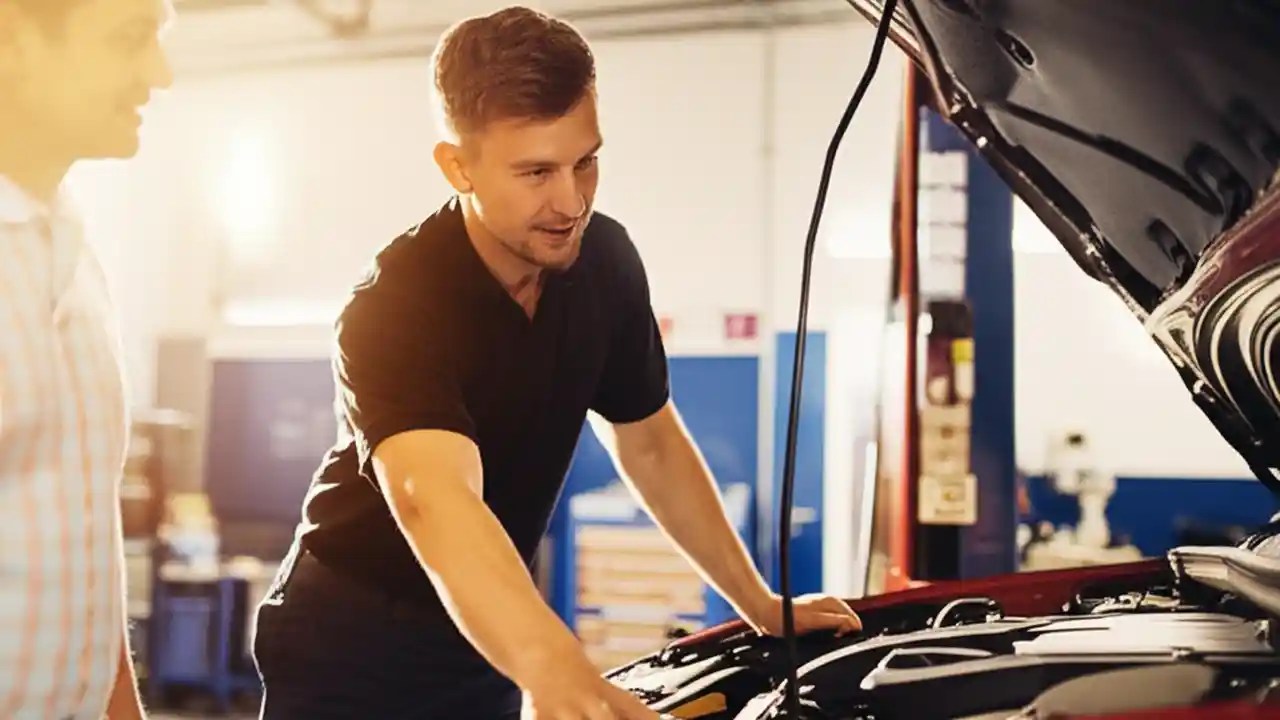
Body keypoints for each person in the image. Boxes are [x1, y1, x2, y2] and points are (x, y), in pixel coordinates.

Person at [252, 6, 861, 719]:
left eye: (586, 161)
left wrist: (758, 601)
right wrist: (556, 668)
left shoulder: (604, 262)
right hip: (349, 633)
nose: (570, 202)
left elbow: (651, 442)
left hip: (487, 623)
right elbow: (435, 497)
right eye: (536, 171)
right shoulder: (394, 303)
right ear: (458, 166)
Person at [0, 1, 174, 719]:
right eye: (132, 38)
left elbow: (83, 538)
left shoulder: (74, 250)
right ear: (10, 43)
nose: (158, 74)